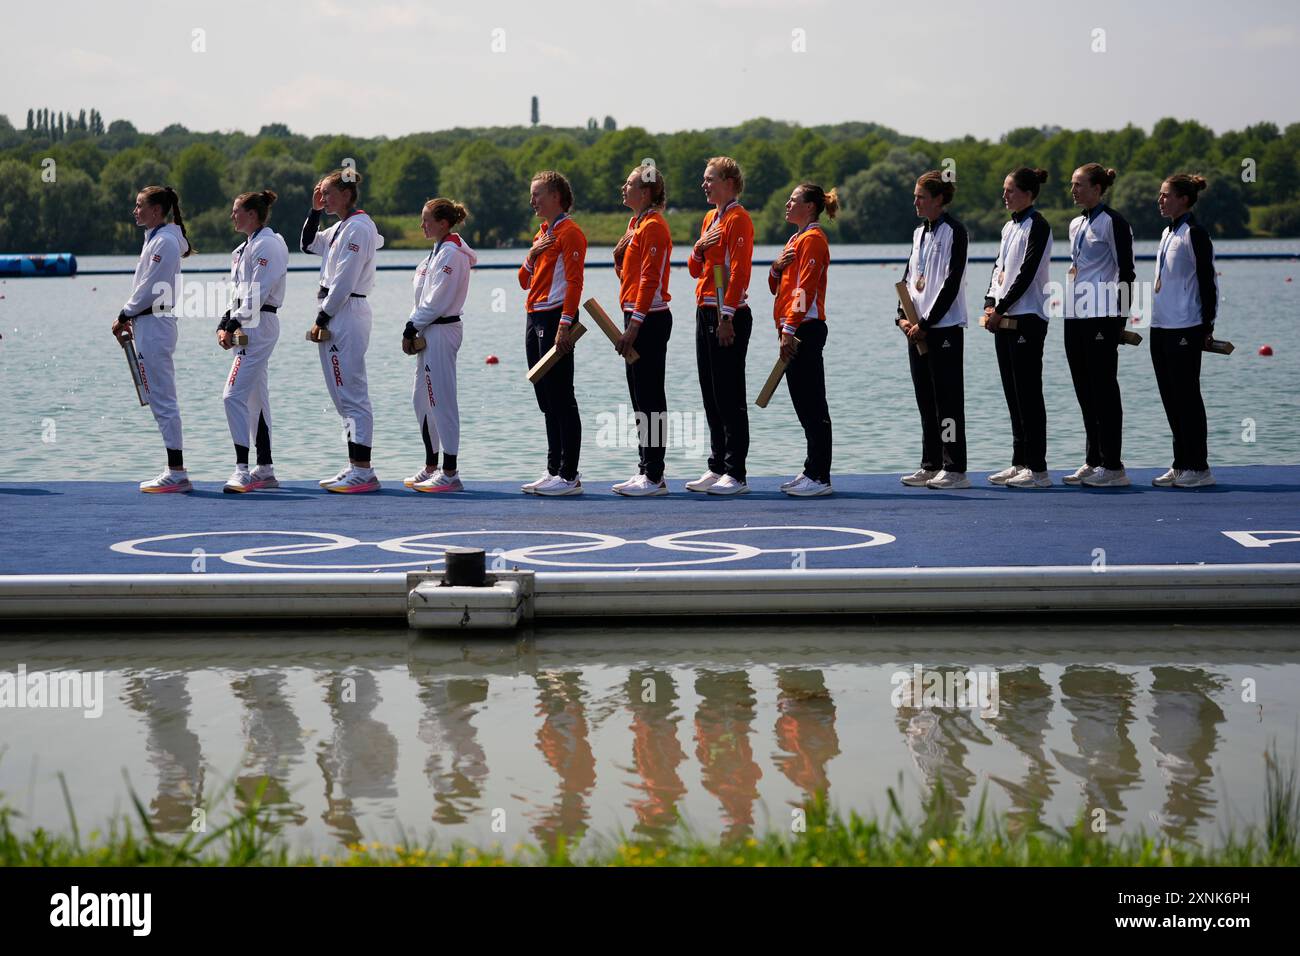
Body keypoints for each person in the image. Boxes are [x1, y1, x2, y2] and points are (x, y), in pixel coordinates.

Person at [302, 169, 385, 493]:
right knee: (341, 395)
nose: (325, 198)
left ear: (347, 195)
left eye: (329, 194)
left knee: (352, 393)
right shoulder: (340, 227)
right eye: (321, 194)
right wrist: (314, 211)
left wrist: (322, 319)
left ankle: (363, 470)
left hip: (346, 311)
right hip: (335, 310)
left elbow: (344, 281)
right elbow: (309, 244)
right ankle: (355, 464)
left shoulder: (360, 228)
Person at [111, 185, 194, 493]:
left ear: (157, 210)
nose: (135, 210)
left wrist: (124, 314)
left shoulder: (164, 242)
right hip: (149, 322)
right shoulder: (157, 239)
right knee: (158, 398)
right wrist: (131, 316)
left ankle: (176, 471)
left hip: (156, 323)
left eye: (139, 205)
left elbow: (150, 286)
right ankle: (174, 468)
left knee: (163, 398)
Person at [1063, 164, 1136, 488]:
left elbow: (1127, 273)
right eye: (1072, 185)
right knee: (1085, 391)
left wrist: (1120, 320)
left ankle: (1113, 465)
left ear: (1097, 188)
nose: (1073, 190)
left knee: (1104, 390)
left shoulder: (1113, 222)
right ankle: (1093, 460)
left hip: (1102, 316)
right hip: (1075, 315)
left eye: (1079, 185)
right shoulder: (1076, 223)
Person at [686, 157, 755, 496]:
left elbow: (740, 273)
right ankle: (717, 466)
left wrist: (727, 317)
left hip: (729, 315)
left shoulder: (739, 219)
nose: (704, 184)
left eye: (710, 178)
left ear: (728, 181)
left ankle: (736, 472)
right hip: (705, 310)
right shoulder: (711, 217)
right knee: (711, 395)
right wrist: (698, 248)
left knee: (730, 395)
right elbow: (695, 268)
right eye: (704, 178)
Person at [898, 170, 970, 490]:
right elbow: (909, 279)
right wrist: (902, 317)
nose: (915, 201)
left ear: (939, 199)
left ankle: (955, 468)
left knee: (948, 402)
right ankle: (931, 464)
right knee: (925, 400)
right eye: (915, 196)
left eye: (921, 196)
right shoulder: (918, 233)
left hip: (943, 329)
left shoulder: (955, 231)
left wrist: (925, 323)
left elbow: (951, 283)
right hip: (917, 330)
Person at [983, 167, 1054, 489]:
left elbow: (1026, 274)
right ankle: (1020, 461)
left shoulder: (1038, 226)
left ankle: (1038, 469)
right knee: (1012, 394)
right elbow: (999, 268)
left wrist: (1000, 307)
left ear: (1027, 193)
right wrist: (989, 302)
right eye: (1004, 189)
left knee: (1028, 394)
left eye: (1010, 190)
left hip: (1027, 317)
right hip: (1004, 318)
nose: (1004, 195)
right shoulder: (1009, 227)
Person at [518, 170, 587, 496]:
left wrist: (565, 323)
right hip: (534, 318)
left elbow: (575, 283)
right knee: (545, 398)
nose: (532, 201)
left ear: (556, 197)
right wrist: (531, 257)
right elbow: (523, 280)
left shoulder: (570, 232)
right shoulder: (542, 233)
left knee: (561, 397)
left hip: (555, 318)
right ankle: (553, 469)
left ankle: (569, 474)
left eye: (538, 194)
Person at [403, 198, 476, 494]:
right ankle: (432, 464)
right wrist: (412, 327)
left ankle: (450, 471)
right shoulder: (432, 255)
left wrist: (411, 327)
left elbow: (436, 301)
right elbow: (421, 301)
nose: (422, 225)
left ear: (444, 224)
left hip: (442, 331)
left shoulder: (451, 254)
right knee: (420, 399)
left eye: (427, 220)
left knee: (441, 400)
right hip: (427, 331)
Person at [1150, 173, 1218, 488]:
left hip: (1186, 326)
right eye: (1161, 195)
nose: (1160, 200)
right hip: (1161, 325)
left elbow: (1208, 282)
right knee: (1170, 398)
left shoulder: (1195, 233)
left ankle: (1199, 466)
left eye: (1166, 195)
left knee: (1188, 398)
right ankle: (1180, 463)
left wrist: (1207, 326)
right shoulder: (1167, 232)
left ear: (1184, 199)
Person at [218, 190, 288, 494]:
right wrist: (225, 321)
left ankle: (241, 469)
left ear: (252, 214)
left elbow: (258, 291)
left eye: (237, 210)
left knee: (231, 396)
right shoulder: (242, 249)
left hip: (259, 326)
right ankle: (265, 468)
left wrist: (234, 322)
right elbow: (239, 295)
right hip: (248, 324)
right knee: (255, 398)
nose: (232, 216)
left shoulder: (268, 246)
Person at [770, 183, 837, 497]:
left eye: (793, 200)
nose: (787, 203)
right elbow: (779, 287)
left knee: (813, 403)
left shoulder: (812, 240)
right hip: (793, 328)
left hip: (805, 330)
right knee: (802, 404)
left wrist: (790, 328)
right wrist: (775, 268)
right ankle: (811, 468)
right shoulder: (795, 239)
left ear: (810, 207)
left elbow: (805, 289)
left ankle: (821, 476)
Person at [612, 163, 673, 496]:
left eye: (631, 183)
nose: (624, 187)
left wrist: (635, 325)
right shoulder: (634, 224)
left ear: (646, 192)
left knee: (650, 397)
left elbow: (650, 280)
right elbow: (631, 278)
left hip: (649, 320)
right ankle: (644, 468)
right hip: (634, 315)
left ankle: (655, 475)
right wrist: (617, 261)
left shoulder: (653, 226)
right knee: (638, 397)